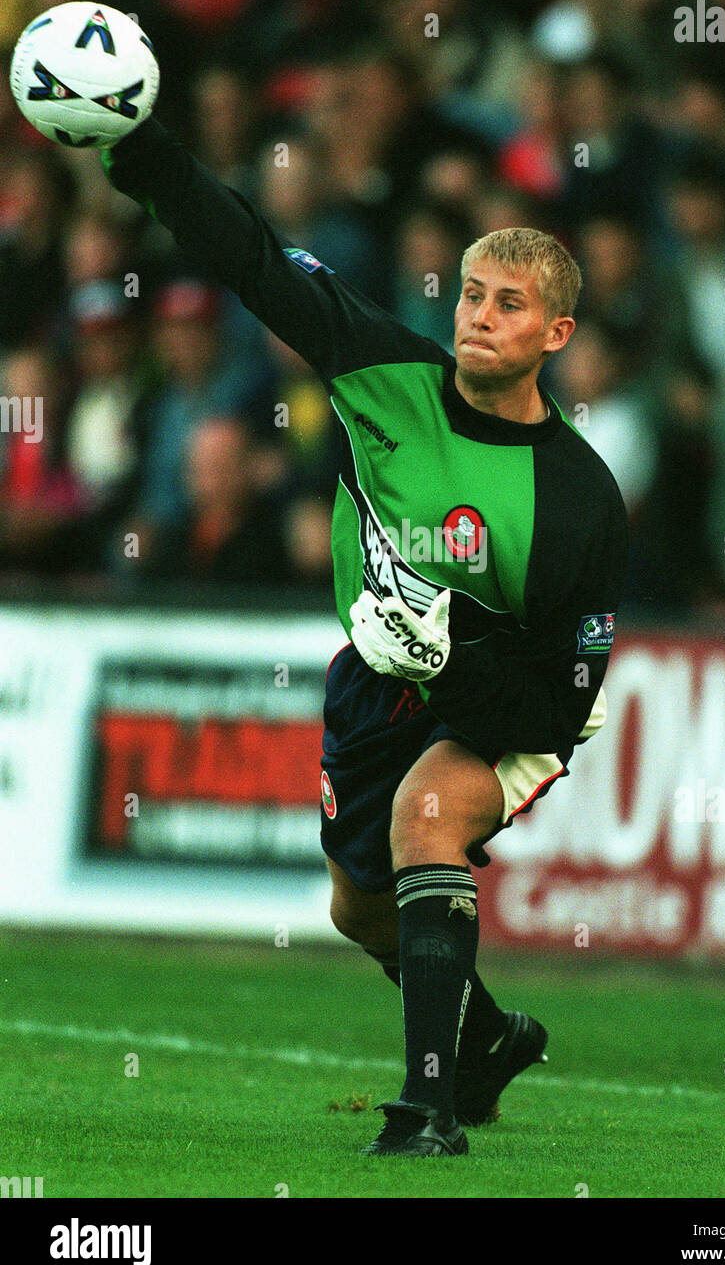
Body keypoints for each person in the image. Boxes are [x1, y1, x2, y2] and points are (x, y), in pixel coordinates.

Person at [102, 114, 628, 1157]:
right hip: (373, 683)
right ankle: (484, 1037)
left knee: (428, 819)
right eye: (472, 293)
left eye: (509, 305)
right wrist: (150, 155)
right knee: (357, 907)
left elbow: (560, 699)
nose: (479, 316)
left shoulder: (576, 498)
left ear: (553, 336)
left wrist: (451, 659)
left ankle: (427, 1107)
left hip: (510, 699)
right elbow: (254, 258)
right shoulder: (379, 369)